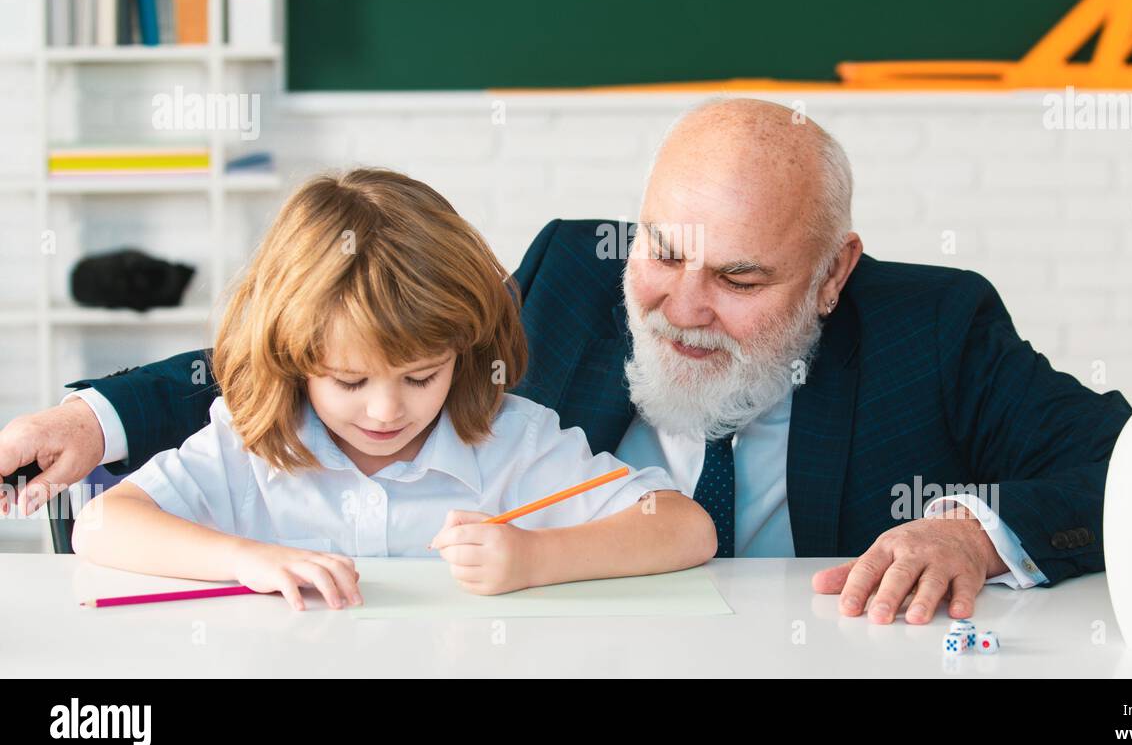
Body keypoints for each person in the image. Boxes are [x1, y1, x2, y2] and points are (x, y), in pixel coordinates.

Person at [3, 99, 1131, 624]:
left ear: (832, 273)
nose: (683, 306)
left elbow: (1131, 469)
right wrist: (98, 420)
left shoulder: (936, 328)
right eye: (663, 252)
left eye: (741, 279)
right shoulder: (567, 275)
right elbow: (347, 341)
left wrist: (972, 534)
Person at [70, 169, 716, 609]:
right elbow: (100, 524)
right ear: (292, 357)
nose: (385, 411)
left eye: (421, 376)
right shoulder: (253, 442)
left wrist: (537, 557)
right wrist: (246, 559)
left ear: (465, 353)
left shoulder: (512, 440)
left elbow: (686, 529)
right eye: (350, 380)